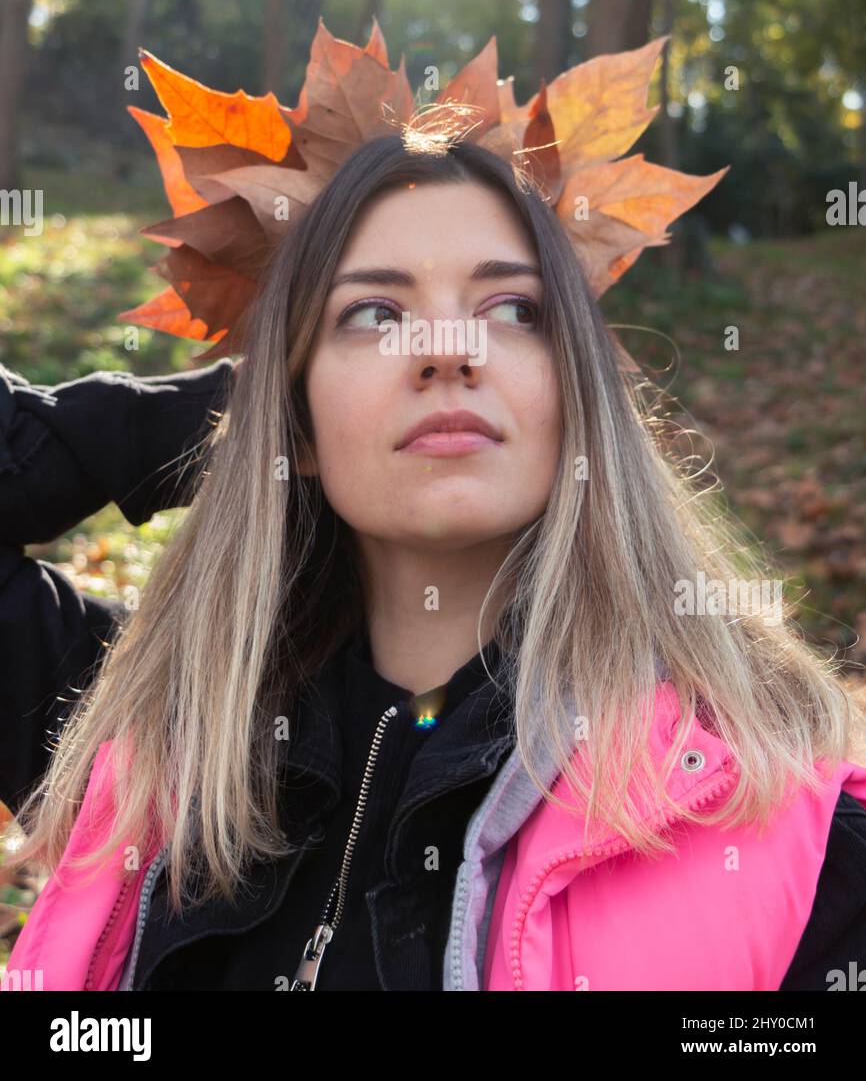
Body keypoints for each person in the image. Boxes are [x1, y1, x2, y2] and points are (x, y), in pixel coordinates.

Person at [3, 130, 866, 993]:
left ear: (579, 395)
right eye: (375, 316)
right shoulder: (155, 749)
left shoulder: (797, 848)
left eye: (513, 312)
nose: (449, 350)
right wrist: (258, 407)